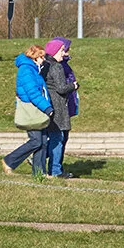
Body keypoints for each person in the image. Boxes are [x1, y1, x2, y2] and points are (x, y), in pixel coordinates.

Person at [3, 44, 52, 175]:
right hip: (32, 110)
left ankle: (39, 173)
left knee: (42, 141)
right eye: (41, 56)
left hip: (37, 109)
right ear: (35, 57)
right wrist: (47, 107)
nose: (43, 59)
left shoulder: (34, 70)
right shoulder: (26, 70)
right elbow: (33, 93)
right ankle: (9, 161)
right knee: (36, 141)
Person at [42, 37, 78, 179]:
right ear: (56, 51)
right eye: (62, 50)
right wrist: (74, 86)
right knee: (58, 138)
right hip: (58, 107)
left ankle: (45, 164)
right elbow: (62, 88)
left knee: (53, 137)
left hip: (50, 105)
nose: (64, 53)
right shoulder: (56, 66)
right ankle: (55, 170)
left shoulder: (46, 64)